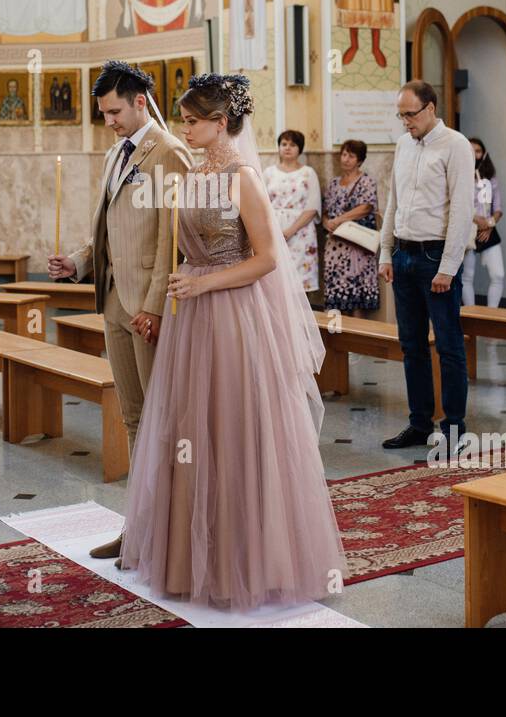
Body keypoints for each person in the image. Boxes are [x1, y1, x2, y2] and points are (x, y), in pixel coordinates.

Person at [119, 73, 345, 609]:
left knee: (232, 430)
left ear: (222, 123)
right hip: (192, 317)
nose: (184, 130)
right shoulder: (195, 171)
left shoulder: (242, 177)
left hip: (233, 315)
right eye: (183, 120)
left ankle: (245, 562)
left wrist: (202, 281)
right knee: (191, 431)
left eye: (193, 121)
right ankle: (188, 561)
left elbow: (267, 258)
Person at [49, 61, 190, 562]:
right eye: (103, 112)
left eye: (114, 111)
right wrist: (78, 261)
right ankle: (139, 526)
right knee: (132, 416)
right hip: (113, 300)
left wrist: (154, 305)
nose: (108, 120)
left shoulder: (168, 152)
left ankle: (172, 531)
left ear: (139, 101)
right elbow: (109, 229)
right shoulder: (117, 152)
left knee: (162, 420)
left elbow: (171, 238)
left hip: (148, 307)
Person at [378, 80, 474, 454]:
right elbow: (393, 203)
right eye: (401, 115)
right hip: (403, 254)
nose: (405, 122)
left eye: (411, 114)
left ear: (431, 108)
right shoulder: (403, 145)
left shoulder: (456, 146)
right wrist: (386, 252)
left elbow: (462, 210)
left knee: (448, 346)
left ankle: (453, 427)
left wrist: (448, 266)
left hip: (437, 257)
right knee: (411, 345)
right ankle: (420, 423)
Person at [323, 139, 379, 315]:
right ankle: (337, 336)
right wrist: (327, 222)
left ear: (360, 160)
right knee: (336, 297)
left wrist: (338, 220)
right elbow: (324, 210)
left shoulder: (366, 182)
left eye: (351, 156)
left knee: (357, 296)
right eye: (344, 154)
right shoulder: (333, 183)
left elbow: (366, 207)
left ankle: (358, 338)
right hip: (335, 246)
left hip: (357, 246)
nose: (346, 159)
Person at [263, 129, 320, 293]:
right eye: (284, 144)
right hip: (274, 229)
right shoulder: (269, 173)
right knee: (275, 281)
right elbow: (262, 204)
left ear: (299, 149)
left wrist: (289, 231)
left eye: (293, 145)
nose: (287, 148)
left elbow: (312, 207)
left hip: (300, 231)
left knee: (299, 282)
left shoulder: (308, 173)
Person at [462, 138, 505, 308]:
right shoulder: (459, 175)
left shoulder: (490, 177)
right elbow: (456, 204)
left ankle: (492, 315)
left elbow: (498, 208)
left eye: (478, 151)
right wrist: (476, 221)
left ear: (484, 153)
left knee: (498, 275)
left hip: (489, 228)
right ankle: (472, 315)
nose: (474, 154)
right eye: (470, 150)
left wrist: (489, 223)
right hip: (468, 229)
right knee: (467, 276)